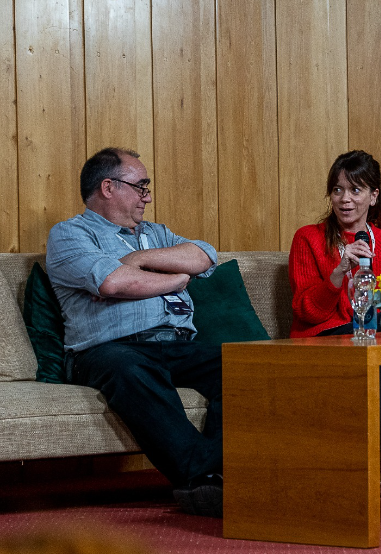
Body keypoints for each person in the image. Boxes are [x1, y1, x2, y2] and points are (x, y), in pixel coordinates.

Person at [46, 147, 224, 517]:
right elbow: (113, 282)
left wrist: (140, 259)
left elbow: (205, 255)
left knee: (243, 367)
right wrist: (177, 278)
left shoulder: (157, 233)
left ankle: (213, 477)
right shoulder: (71, 234)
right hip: (108, 349)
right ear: (108, 187)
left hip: (177, 344)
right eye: (141, 186)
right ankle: (206, 475)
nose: (148, 196)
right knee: (130, 368)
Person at [288, 150, 381, 497]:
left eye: (355, 190)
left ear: (373, 196)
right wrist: (338, 273)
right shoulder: (308, 238)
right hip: (323, 337)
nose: (345, 199)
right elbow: (306, 311)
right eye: (337, 190)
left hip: (376, 334)